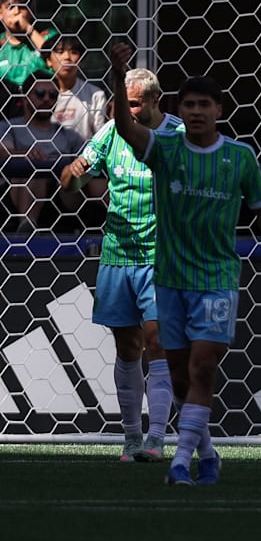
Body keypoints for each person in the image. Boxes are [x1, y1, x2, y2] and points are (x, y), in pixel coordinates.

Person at [105, 47, 261, 486]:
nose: (196, 111)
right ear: (178, 111)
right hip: (170, 279)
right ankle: (207, 453)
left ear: (219, 111)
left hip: (217, 279)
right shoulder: (164, 149)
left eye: (204, 104)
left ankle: (180, 462)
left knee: (202, 367)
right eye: (189, 105)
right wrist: (118, 76)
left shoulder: (240, 157)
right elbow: (124, 127)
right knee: (179, 376)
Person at [59, 67, 181, 463]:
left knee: (158, 342)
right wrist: (74, 175)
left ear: (155, 101)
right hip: (118, 255)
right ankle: (131, 437)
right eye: (122, 105)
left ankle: (157, 437)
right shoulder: (111, 133)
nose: (126, 112)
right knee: (127, 348)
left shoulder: (178, 135)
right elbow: (71, 182)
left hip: (162, 257)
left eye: (134, 104)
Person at [3, 75, 85, 232]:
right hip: (20, 192)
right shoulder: (9, 127)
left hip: (62, 194)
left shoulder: (67, 134)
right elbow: (3, 151)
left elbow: (87, 157)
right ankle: (27, 226)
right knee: (34, 170)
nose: (47, 99)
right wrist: (25, 154)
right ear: (25, 98)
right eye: (40, 93)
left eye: (52, 95)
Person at [0, 0, 56, 99]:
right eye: (10, 6)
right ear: (1, 13)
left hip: (44, 102)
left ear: (31, 12)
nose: (17, 11)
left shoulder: (47, 36)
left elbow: (58, 61)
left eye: (22, 6)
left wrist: (28, 29)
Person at [48, 37, 108, 140]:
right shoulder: (40, 95)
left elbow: (100, 138)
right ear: (48, 60)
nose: (67, 57)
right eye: (60, 52)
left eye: (74, 52)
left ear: (81, 60)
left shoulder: (95, 95)